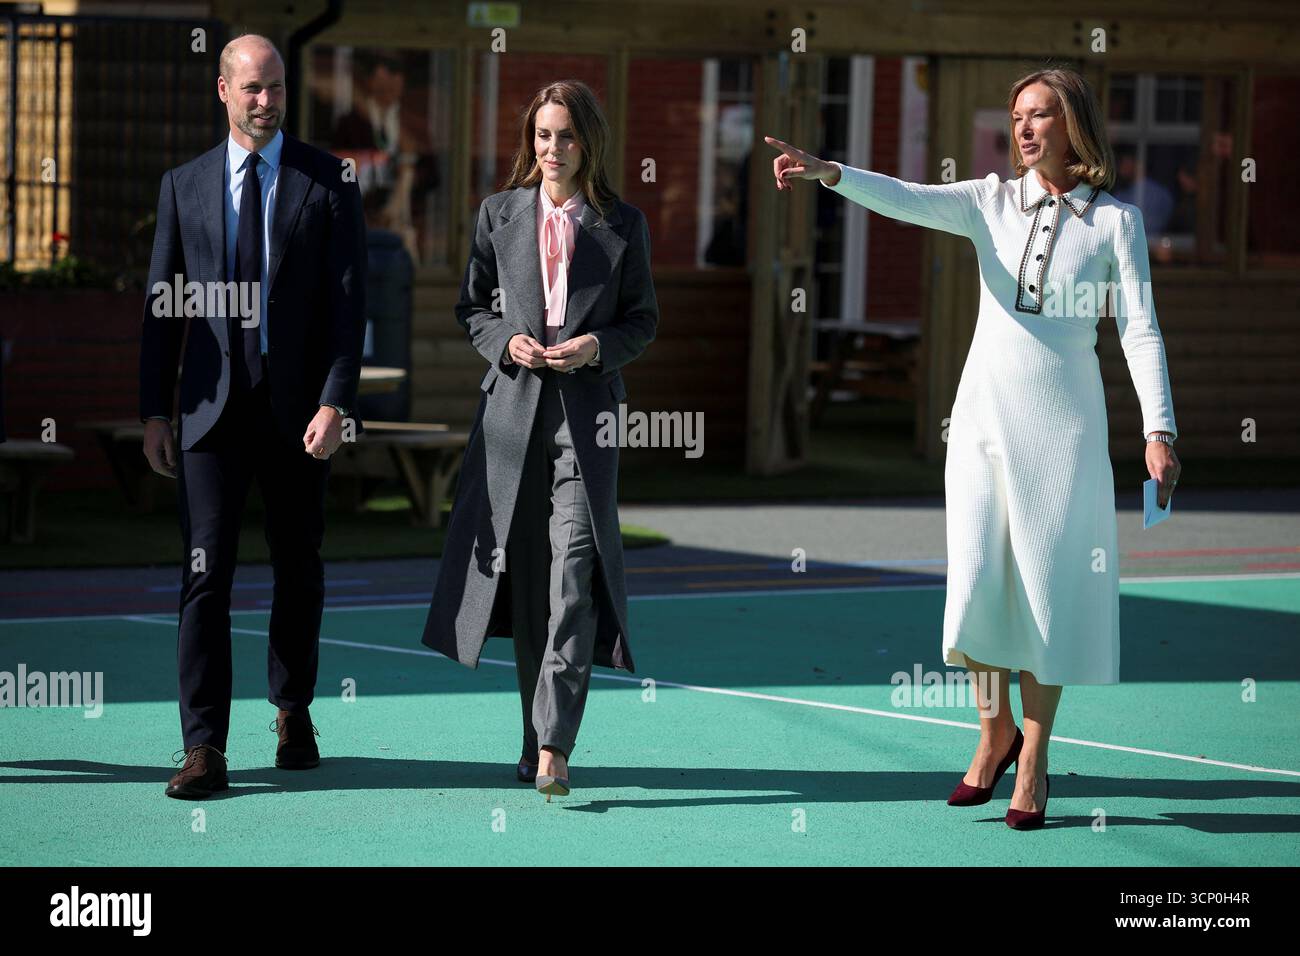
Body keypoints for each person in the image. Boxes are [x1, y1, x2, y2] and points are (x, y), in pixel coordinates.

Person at [767, 66, 1181, 830]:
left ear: (1073, 126)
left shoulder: (1115, 224)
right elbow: (907, 198)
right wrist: (830, 173)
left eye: (1040, 116)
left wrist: (1159, 429)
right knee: (978, 586)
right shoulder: (988, 201)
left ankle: (1034, 755)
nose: (1023, 128)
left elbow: (1139, 329)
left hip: (1066, 429)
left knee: (1046, 594)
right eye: (1017, 116)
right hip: (983, 418)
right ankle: (993, 731)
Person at [139, 34, 366, 799]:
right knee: (206, 574)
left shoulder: (328, 180)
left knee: (298, 564)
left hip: (299, 412)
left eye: (275, 87)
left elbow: (348, 305)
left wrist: (337, 399)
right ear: (223, 91)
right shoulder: (184, 185)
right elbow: (159, 313)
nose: (266, 101)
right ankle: (203, 744)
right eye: (252, 88)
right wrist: (153, 412)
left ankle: (293, 709)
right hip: (208, 414)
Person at [420, 79, 658, 800]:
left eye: (567, 137)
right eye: (543, 135)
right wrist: (507, 342)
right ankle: (532, 738)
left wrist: (595, 349)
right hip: (510, 421)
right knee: (525, 588)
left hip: (586, 424)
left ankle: (556, 742)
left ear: (590, 144)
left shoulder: (624, 224)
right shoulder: (497, 214)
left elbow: (641, 321)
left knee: (572, 576)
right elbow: (472, 307)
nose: (553, 149)